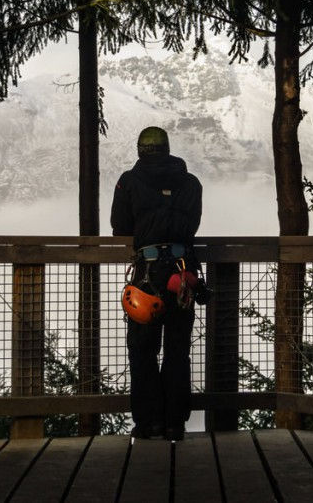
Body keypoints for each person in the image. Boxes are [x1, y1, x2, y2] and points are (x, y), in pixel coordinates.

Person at [111, 126, 206, 442]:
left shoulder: (128, 181)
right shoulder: (191, 183)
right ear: (167, 149)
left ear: (140, 150)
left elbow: (120, 226)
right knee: (177, 350)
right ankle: (174, 424)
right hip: (182, 275)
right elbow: (191, 225)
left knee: (142, 350)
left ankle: (148, 423)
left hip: (146, 276)